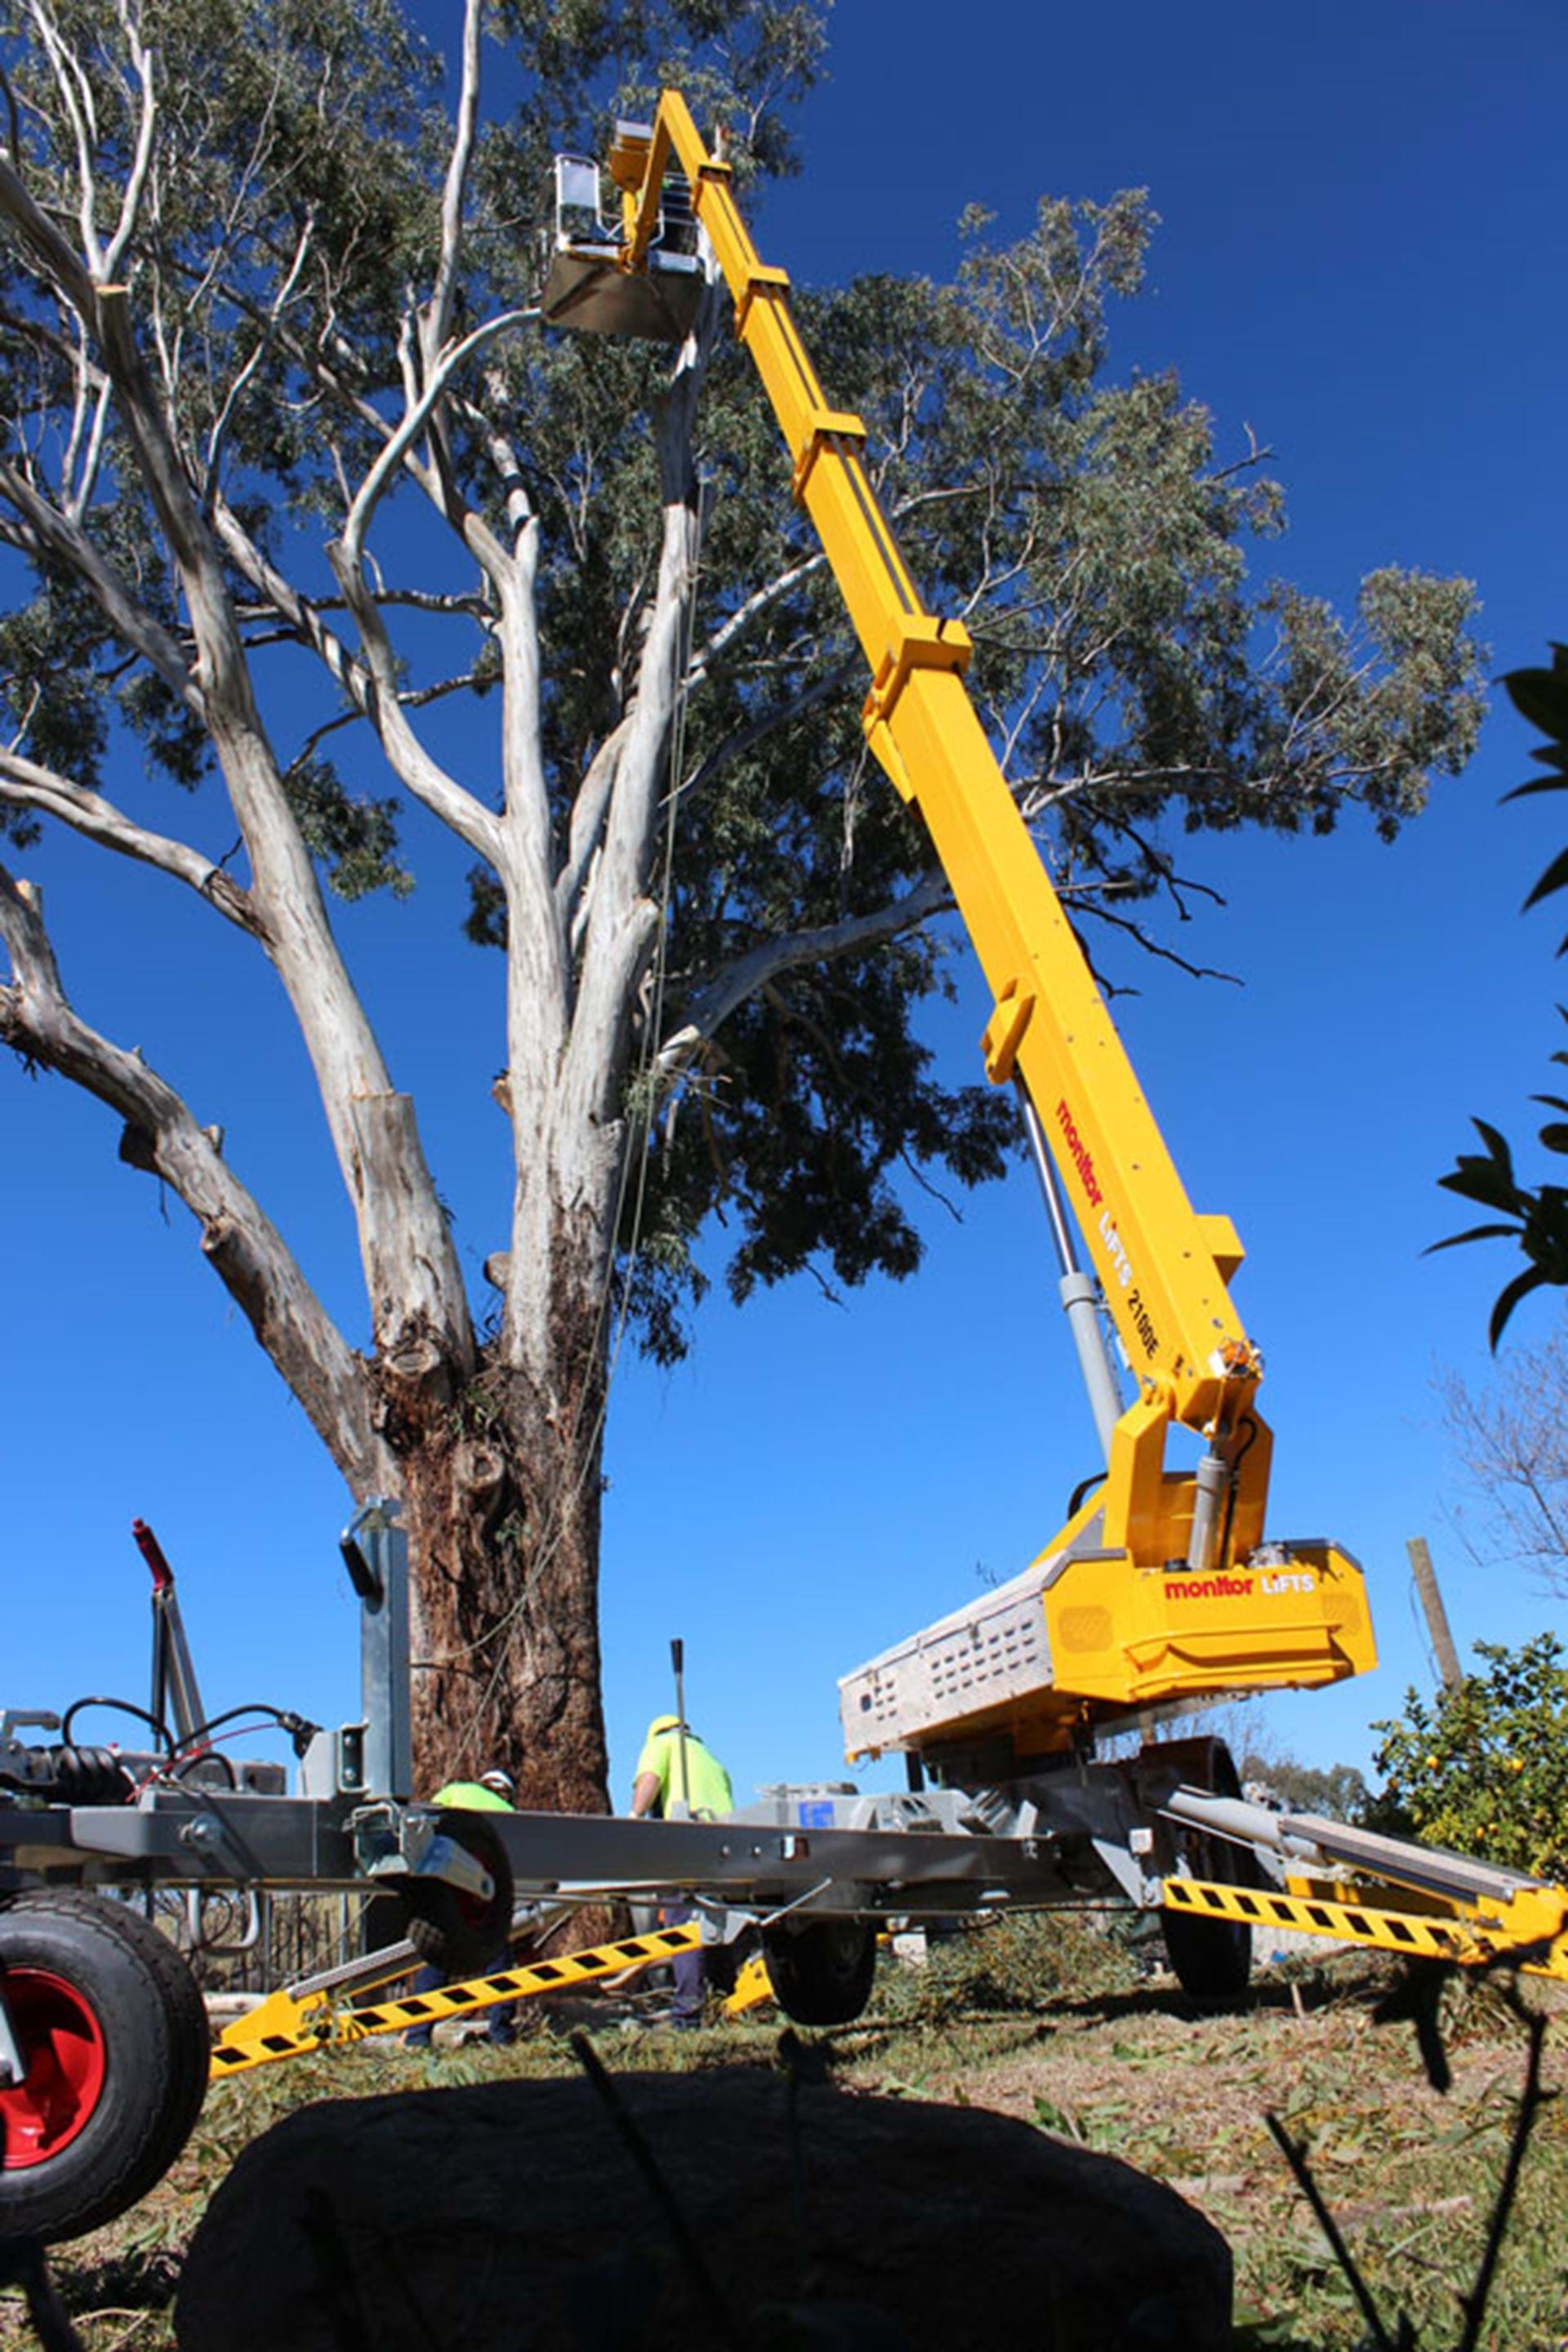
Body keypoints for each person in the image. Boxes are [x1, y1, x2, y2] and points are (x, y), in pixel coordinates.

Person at [403, 1767, 519, 2049]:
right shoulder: (507, 1811)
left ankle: (417, 2035)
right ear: (505, 1793)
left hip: (445, 1883)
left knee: (438, 1959)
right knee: (498, 1956)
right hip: (484, 1892)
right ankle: (501, 2035)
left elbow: (423, 1821)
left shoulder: (455, 1791)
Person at [630, 1717, 733, 2029]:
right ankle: (726, 1999)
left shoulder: (660, 1744)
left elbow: (650, 1779)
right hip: (724, 1848)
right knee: (718, 1924)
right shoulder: (711, 1759)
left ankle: (687, 2012)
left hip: (686, 1841)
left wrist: (634, 1818)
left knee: (683, 1926)